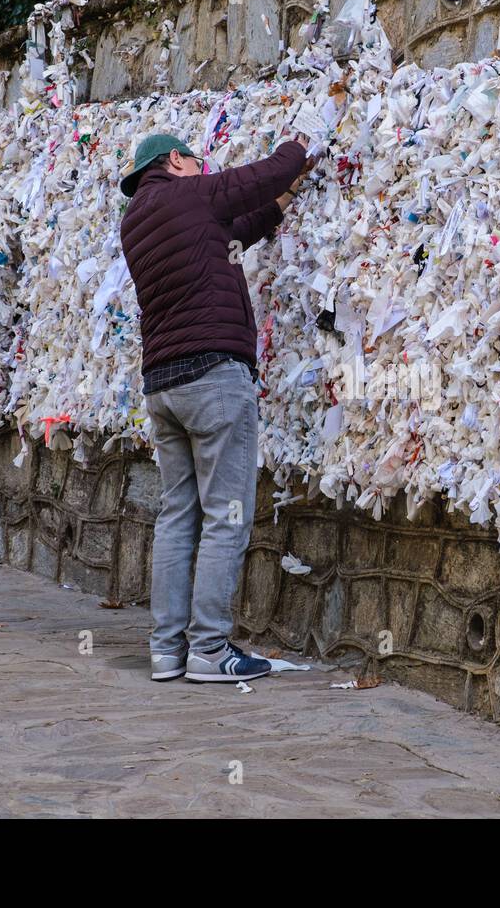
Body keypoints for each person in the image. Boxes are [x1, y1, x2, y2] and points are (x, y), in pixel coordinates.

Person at [119, 132, 314, 683]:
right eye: (197, 161)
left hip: (163, 385)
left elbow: (231, 234)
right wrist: (298, 147)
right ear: (176, 161)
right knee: (226, 516)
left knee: (179, 515)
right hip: (212, 376)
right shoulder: (190, 194)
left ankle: (167, 650)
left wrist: (279, 208)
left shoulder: (138, 221)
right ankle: (209, 650)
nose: (205, 169)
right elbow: (258, 177)